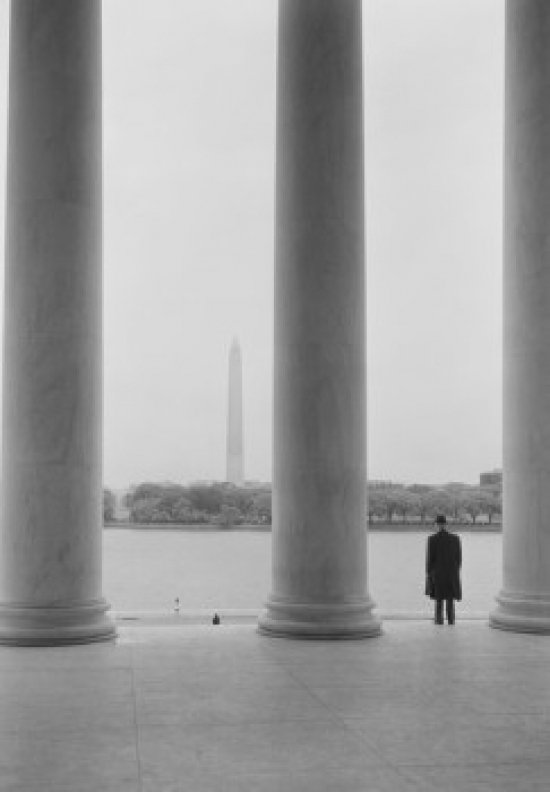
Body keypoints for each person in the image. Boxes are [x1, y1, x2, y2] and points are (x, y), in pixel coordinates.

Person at [425, 514, 462, 625]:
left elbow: (430, 559)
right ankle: (451, 620)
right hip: (451, 573)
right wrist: (455, 571)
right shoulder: (455, 538)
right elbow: (459, 558)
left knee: (439, 598)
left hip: (438, 573)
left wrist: (429, 573)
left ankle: (438, 620)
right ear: (446, 524)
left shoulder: (432, 539)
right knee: (450, 599)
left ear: (436, 525)